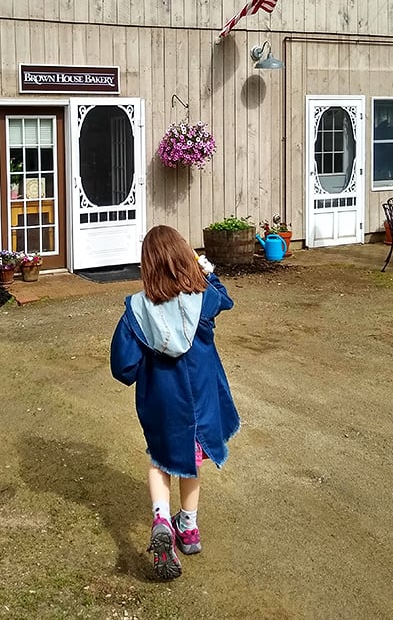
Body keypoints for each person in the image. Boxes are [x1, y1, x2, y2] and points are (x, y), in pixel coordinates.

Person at [110, 225, 240, 580]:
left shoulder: (137, 309)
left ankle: (160, 518)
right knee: (190, 464)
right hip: (201, 398)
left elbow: (123, 367)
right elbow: (224, 296)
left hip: (162, 402)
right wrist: (206, 269)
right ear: (185, 258)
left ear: (147, 266)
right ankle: (190, 529)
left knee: (160, 460)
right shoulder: (204, 297)